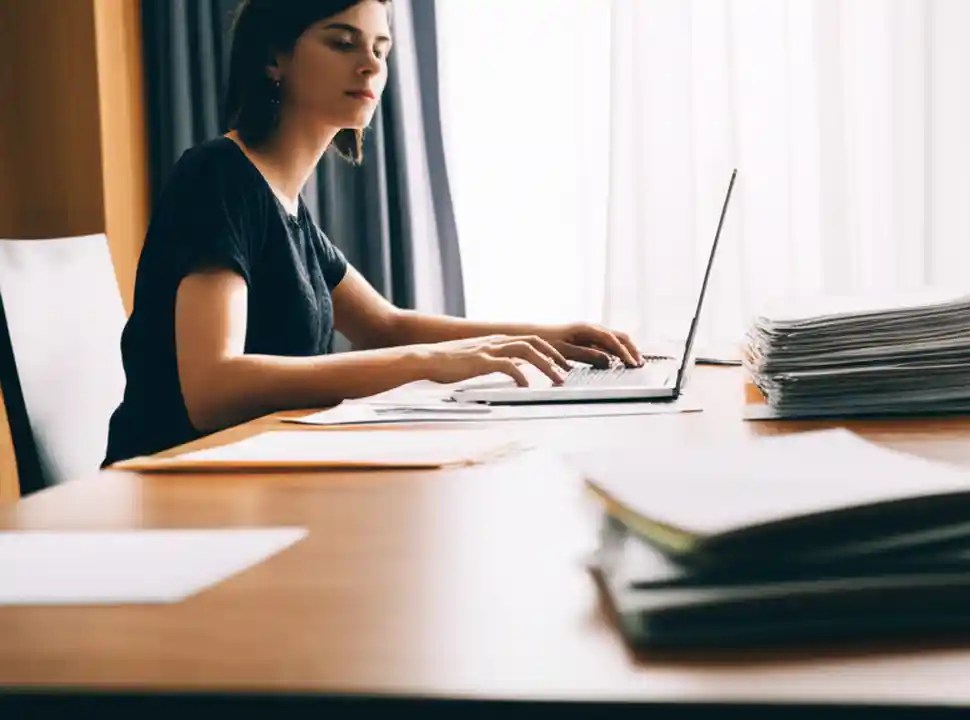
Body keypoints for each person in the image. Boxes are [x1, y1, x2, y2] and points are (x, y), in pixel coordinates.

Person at [102, 0, 642, 466]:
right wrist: (427, 364)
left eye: (381, 51)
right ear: (273, 58)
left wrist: (548, 337)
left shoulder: (284, 203)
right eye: (343, 43)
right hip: (172, 487)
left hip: (252, 476)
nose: (369, 66)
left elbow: (384, 325)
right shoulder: (218, 177)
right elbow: (212, 388)